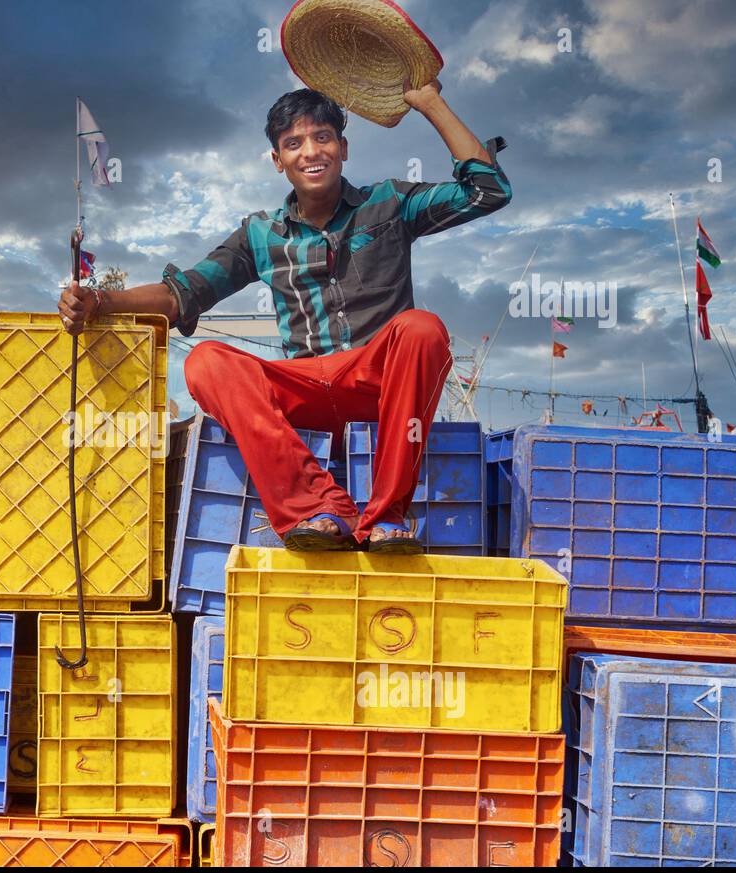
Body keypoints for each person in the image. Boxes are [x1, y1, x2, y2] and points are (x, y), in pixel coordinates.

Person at [57, 82, 510, 552]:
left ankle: (387, 516)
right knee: (206, 362)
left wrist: (430, 102)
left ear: (344, 147)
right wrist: (99, 302)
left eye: (323, 138)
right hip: (305, 389)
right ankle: (319, 508)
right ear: (278, 159)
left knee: (422, 328)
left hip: (377, 382)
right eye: (293, 143)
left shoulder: (390, 204)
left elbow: (488, 190)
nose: (311, 152)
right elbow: (181, 295)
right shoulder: (260, 233)